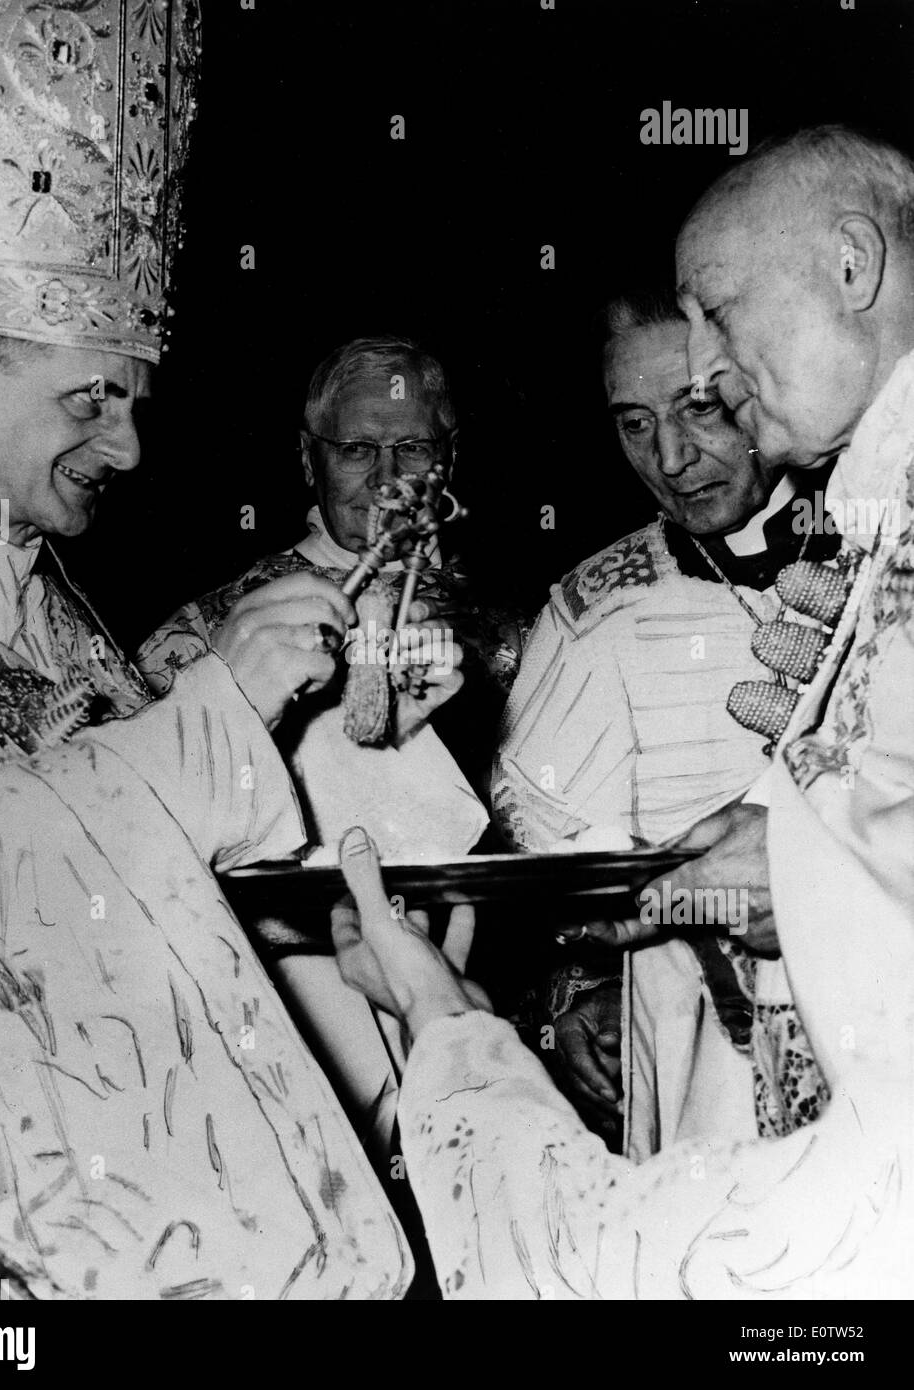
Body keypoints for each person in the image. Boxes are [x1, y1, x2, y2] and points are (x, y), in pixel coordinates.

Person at [324, 126, 914, 1299]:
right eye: (634, 419)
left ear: (853, 265)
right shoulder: (597, 613)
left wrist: (790, 874)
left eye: (719, 320)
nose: (705, 403)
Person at [0, 0, 412, 1301]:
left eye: (130, 402)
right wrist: (212, 711)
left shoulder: (23, 570)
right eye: (88, 399)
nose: (125, 449)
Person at [136, 338, 518, 1171]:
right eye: (354, 449)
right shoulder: (211, 636)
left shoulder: (511, 642)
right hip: (286, 1026)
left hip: (476, 1006)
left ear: (450, 460)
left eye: (412, 447)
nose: (386, 478)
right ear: (306, 461)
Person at [493, 292, 836, 1157]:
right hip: (696, 1063)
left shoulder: (884, 549)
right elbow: (544, 857)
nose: (672, 458)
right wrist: (575, 986)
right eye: (634, 423)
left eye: (699, 408)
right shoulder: (591, 612)